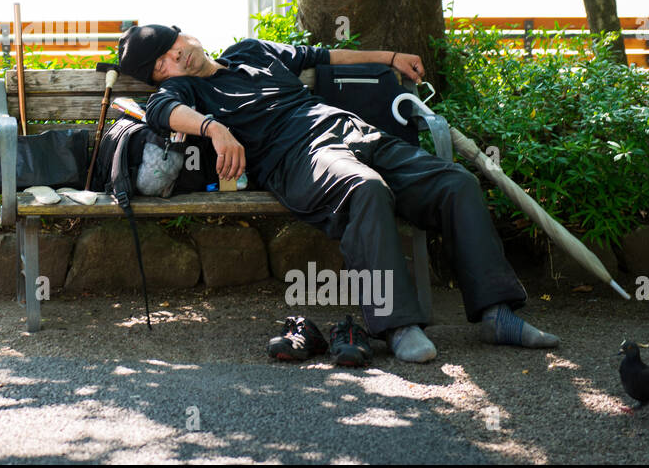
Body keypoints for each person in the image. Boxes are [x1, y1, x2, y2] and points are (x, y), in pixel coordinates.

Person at [116, 24, 559, 364]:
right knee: (364, 189)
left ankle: (496, 313)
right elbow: (160, 110)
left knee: (455, 183)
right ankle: (398, 326)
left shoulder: (251, 51)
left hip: (349, 129)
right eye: (161, 66)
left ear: (185, 34)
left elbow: (323, 54)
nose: (175, 59)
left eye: (172, 45)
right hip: (297, 159)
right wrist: (214, 128)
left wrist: (389, 57)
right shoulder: (186, 90)